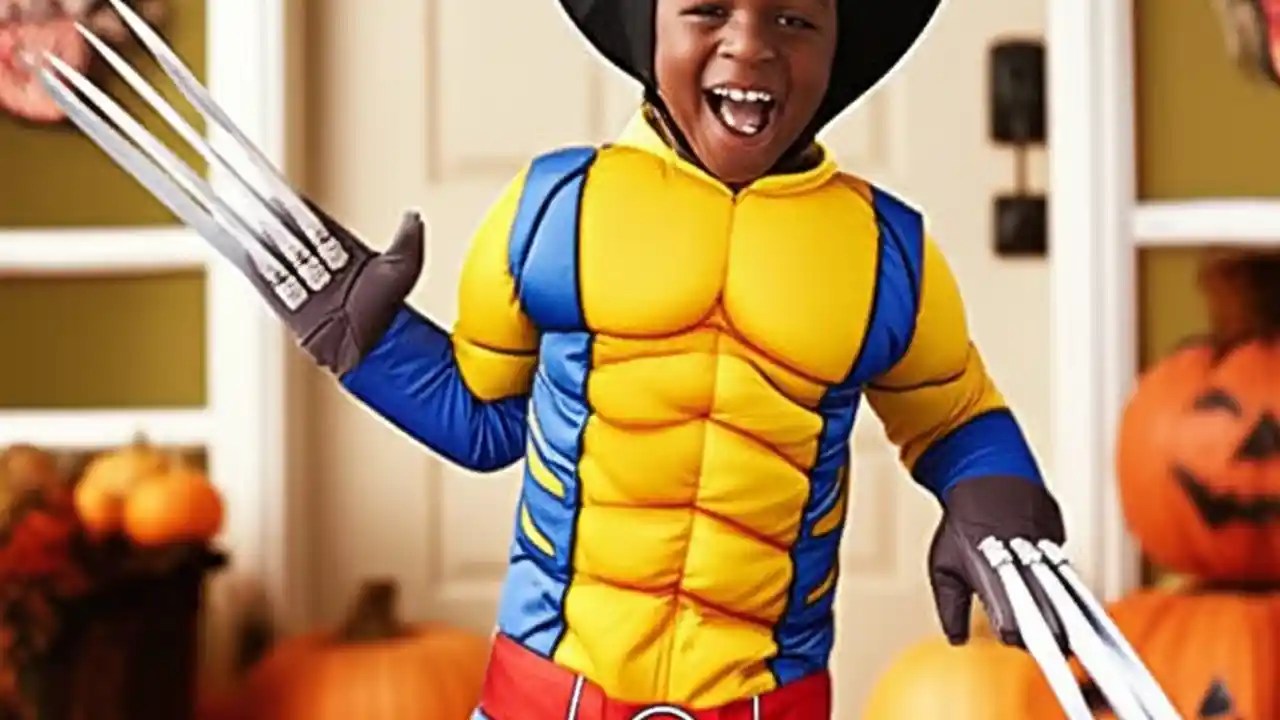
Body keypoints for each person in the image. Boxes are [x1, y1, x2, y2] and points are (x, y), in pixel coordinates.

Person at [41, 0, 1070, 717]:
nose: (750, 49)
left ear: (838, 40)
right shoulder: (555, 210)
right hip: (549, 694)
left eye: (793, 17)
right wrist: (369, 343)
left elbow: (950, 415)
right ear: (646, 26)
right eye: (706, 9)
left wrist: (995, 497)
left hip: (768, 701)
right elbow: (489, 422)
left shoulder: (885, 251)